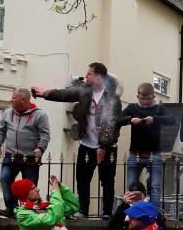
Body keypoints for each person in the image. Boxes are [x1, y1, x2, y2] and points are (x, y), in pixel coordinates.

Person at [33, 63, 122, 219]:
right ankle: (84, 211)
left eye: (89, 74)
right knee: (82, 179)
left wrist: (102, 147)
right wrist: (43, 94)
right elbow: (64, 94)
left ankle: (107, 212)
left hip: (107, 147)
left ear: (98, 77)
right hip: (87, 144)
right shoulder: (85, 92)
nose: (86, 76)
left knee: (107, 180)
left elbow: (112, 126)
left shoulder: (111, 98)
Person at [0, 88, 51, 214]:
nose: (11, 100)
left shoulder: (40, 115)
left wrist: (40, 148)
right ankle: (12, 209)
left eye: (14, 98)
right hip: (11, 155)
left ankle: (30, 211)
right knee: (5, 178)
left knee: (30, 187)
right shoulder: (8, 113)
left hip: (30, 157)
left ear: (23, 100)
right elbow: (1, 130)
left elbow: (45, 135)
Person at [118, 82, 176, 207]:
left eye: (148, 99)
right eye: (142, 99)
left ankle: (154, 213)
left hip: (154, 154)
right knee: (132, 186)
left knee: (155, 187)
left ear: (153, 96)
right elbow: (117, 120)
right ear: (137, 96)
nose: (145, 102)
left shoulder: (159, 108)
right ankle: (132, 212)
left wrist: (155, 119)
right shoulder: (132, 108)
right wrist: (130, 120)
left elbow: (172, 120)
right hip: (135, 154)